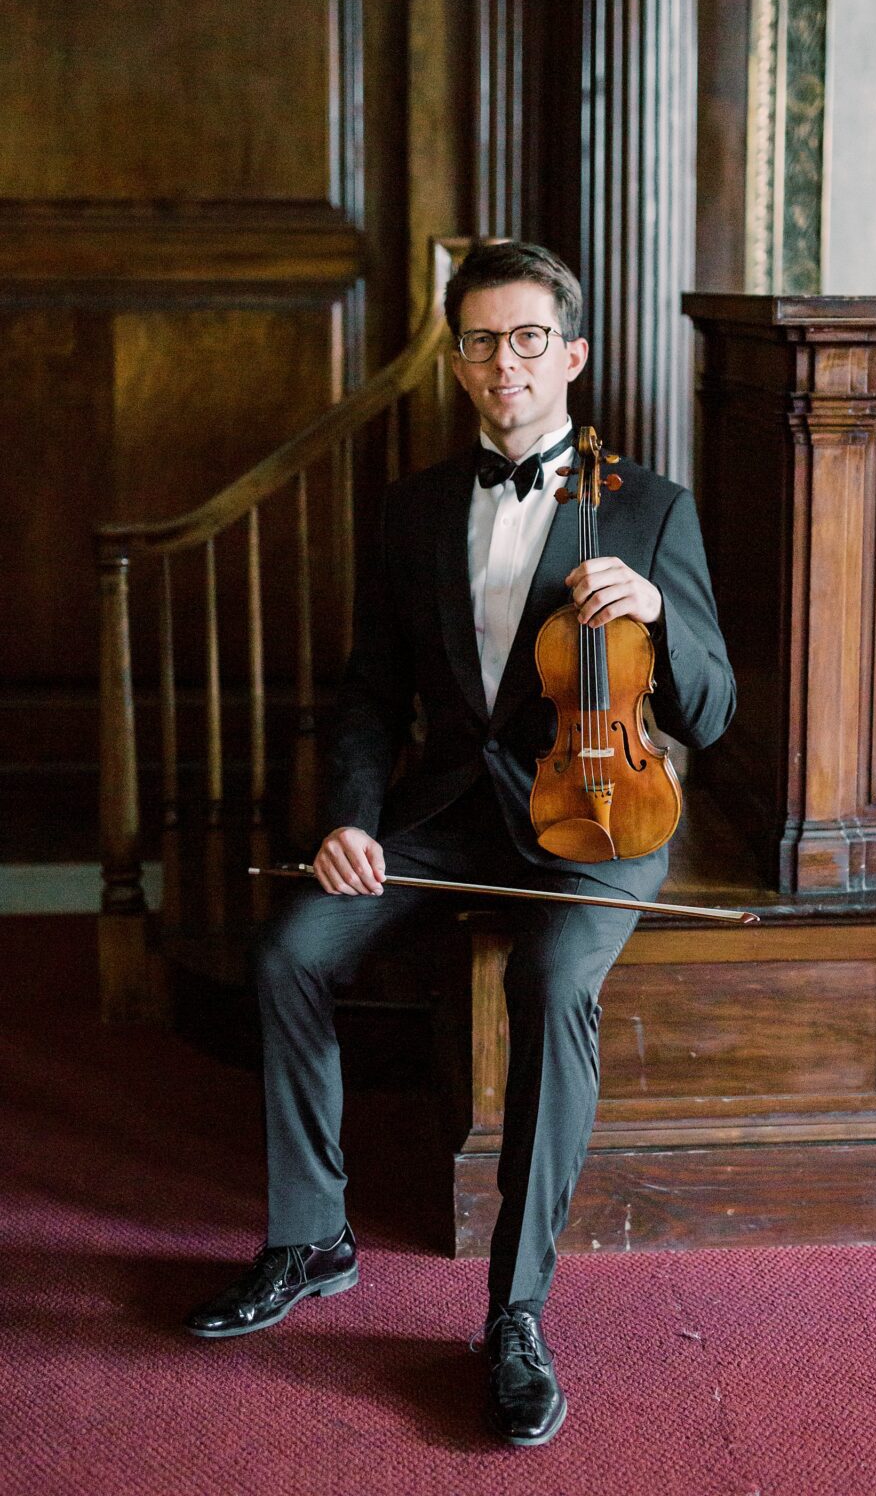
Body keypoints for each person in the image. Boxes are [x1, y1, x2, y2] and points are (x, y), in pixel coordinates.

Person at [184, 241, 735, 1447]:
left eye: (528, 338)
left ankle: (516, 1312)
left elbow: (710, 706)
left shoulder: (648, 508)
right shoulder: (416, 506)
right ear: (457, 360)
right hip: (445, 810)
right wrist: (347, 817)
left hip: (600, 810)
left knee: (548, 980)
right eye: (480, 341)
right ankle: (309, 1235)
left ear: (572, 354)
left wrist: (654, 616)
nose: (504, 364)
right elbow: (372, 692)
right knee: (290, 953)